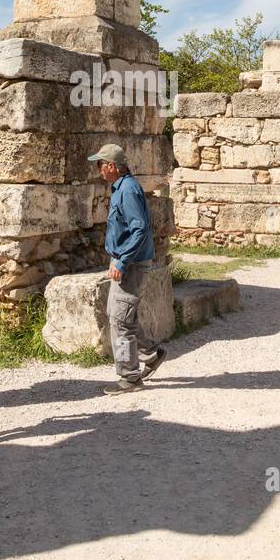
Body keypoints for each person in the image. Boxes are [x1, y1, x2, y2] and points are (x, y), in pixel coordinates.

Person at [88, 142, 166, 395]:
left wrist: (122, 261)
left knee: (120, 321)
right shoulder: (121, 187)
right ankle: (151, 353)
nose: (98, 169)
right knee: (120, 315)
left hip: (131, 264)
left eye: (100, 165)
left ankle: (129, 376)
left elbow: (140, 229)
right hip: (124, 260)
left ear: (112, 166)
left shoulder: (128, 190)